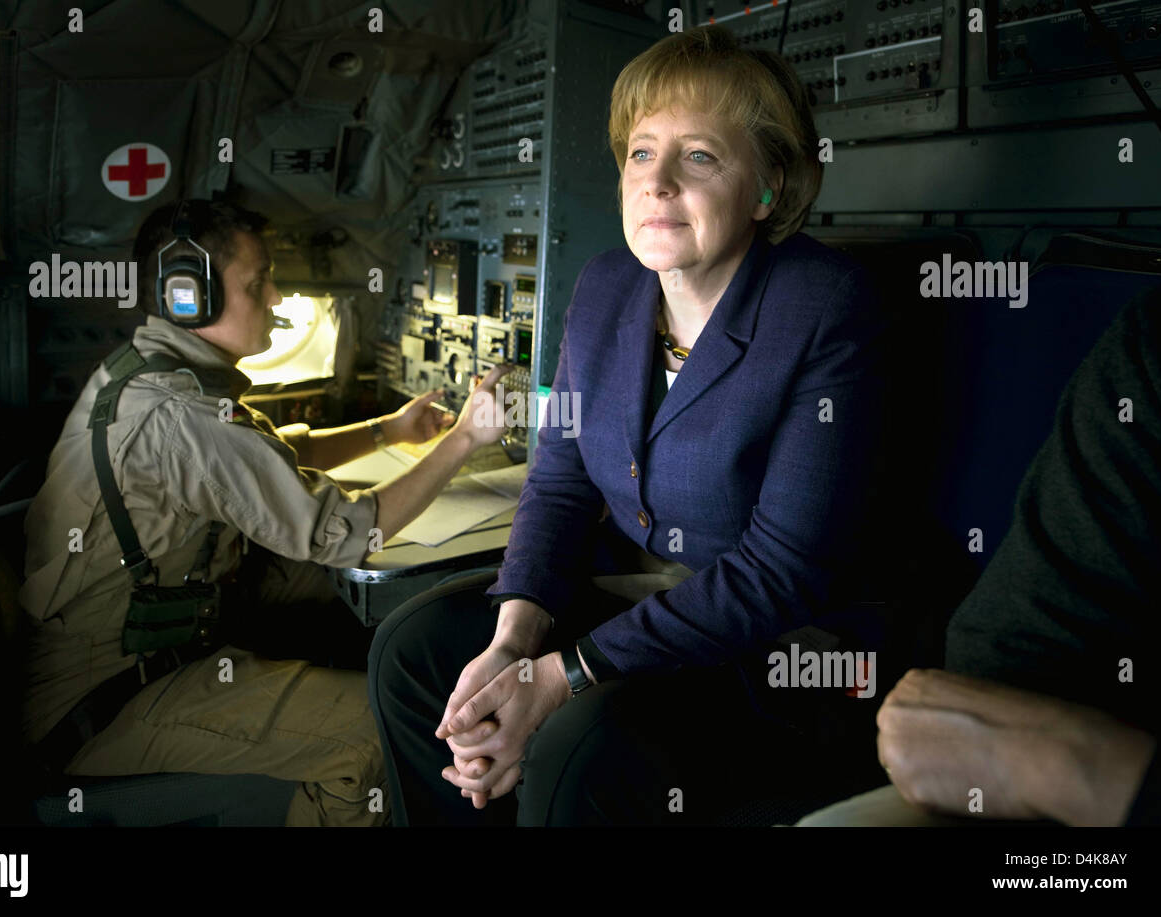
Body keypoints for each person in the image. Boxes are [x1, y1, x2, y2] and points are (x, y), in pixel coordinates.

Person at [368, 26, 889, 826]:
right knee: (415, 649)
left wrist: (558, 676)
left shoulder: (823, 305)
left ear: (767, 188)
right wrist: (515, 641)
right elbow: (561, 481)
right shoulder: (608, 284)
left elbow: (782, 573)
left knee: (580, 739)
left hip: (765, 643)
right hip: (620, 594)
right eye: (642, 154)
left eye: (701, 157)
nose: (659, 182)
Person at [19, 198, 508, 826]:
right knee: (369, 735)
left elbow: (269, 456)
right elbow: (348, 533)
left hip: (152, 632)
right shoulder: (180, 413)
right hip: (106, 694)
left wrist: (390, 431)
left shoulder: (152, 372)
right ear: (187, 297)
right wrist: (463, 440)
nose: (275, 298)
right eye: (258, 283)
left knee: (331, 598)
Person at [797, 277, 1161, 827]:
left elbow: (782, 559)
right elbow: (1020, 653)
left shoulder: (816, 309)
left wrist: (1092, 769)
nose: (657, 189)